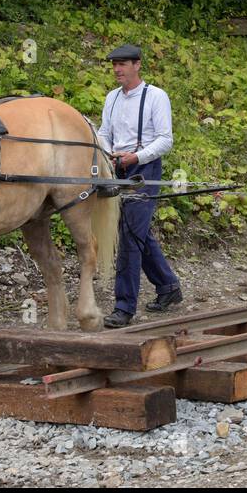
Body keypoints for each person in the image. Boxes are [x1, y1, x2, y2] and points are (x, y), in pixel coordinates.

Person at [99, 44, 181, 329]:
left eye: (122, 64)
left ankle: (124, 307)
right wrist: (109, 152)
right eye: (114, 65)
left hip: (144, 169)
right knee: (137, 231)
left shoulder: (156, 96)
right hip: (116, 168)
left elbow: (164, 139)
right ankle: (168, 285)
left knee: (128, 237)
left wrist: (137, 156)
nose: (117, 69)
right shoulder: (112, 98)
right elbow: (103, 132)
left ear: (137, 65)